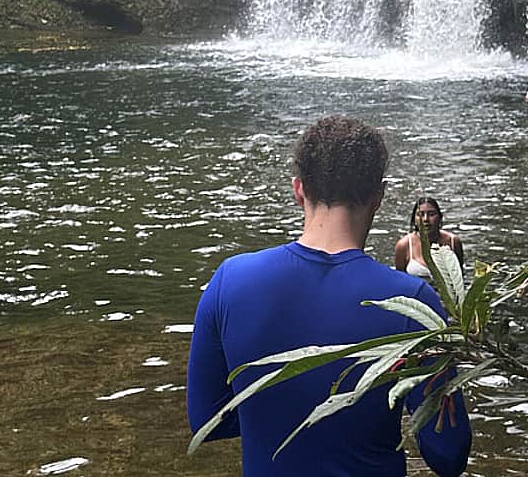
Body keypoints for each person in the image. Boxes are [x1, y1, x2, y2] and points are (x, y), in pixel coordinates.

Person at [187, 115, 471, 477]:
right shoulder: (411, 302)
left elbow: (207, 420)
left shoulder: (230, 281)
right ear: (378, 196)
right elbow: (448, 454)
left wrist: (281, 410)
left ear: (298, 189)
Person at [394, 196, 464, 278]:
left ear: (439, 218)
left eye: (431, 214)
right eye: (420, 214)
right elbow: (400, 280)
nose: (426, 219)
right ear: (414, 220)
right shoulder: (404, 245)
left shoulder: (453, 241)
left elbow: (460, 277)